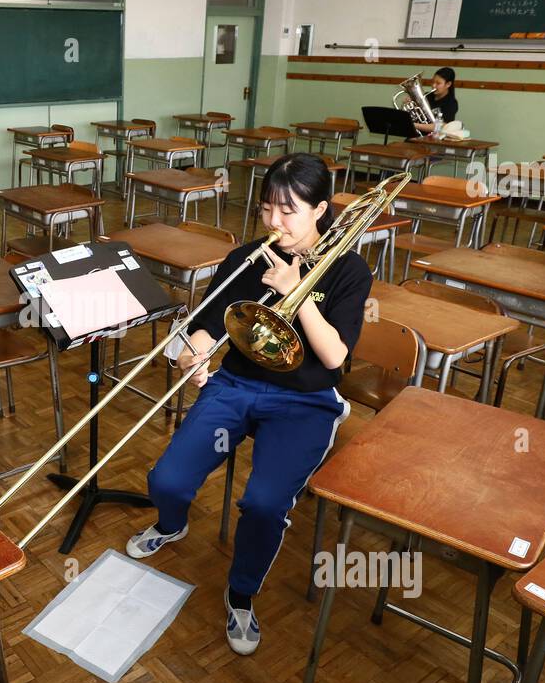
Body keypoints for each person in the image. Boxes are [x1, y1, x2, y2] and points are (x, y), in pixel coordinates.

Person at [125, 153, 372, 656]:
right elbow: (209, 321)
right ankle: (172, 524)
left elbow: (334, 356)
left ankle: (241, 593)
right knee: (165, 481)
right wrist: (192, 352)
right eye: (266, 210)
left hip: (305, 399)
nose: (274, 223)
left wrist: (296, 293)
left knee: (263, 504)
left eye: (288, 212)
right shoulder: (247, 257)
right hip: (236, 383)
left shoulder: (348, 269)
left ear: (320, 209)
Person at [413, 66, 458, 134]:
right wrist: (412, 102)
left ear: (448, 84)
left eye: (438, 83)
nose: (433, 85)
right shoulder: (426, 96)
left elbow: (441, 126)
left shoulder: (451, 103)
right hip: (416, 135)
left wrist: (414, 125)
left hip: (434, 140)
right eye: (432, 82)